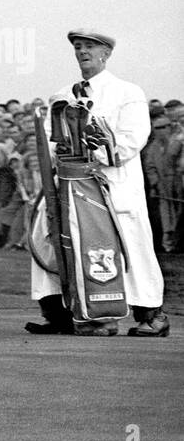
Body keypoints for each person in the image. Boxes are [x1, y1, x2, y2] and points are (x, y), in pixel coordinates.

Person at [26, 29, 168, 337]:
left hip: (111, 186)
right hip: (67, 185)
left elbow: (132, 139)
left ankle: (151, 315)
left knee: (128, 247)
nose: (82, 51)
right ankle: (59, 313)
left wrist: (92, 149)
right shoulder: (62, 95)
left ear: (106, 53)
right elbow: (52, 141)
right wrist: (59, 153)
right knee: (47, 236)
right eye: (78, 47)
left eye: (90, 46)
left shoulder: (127, 92)